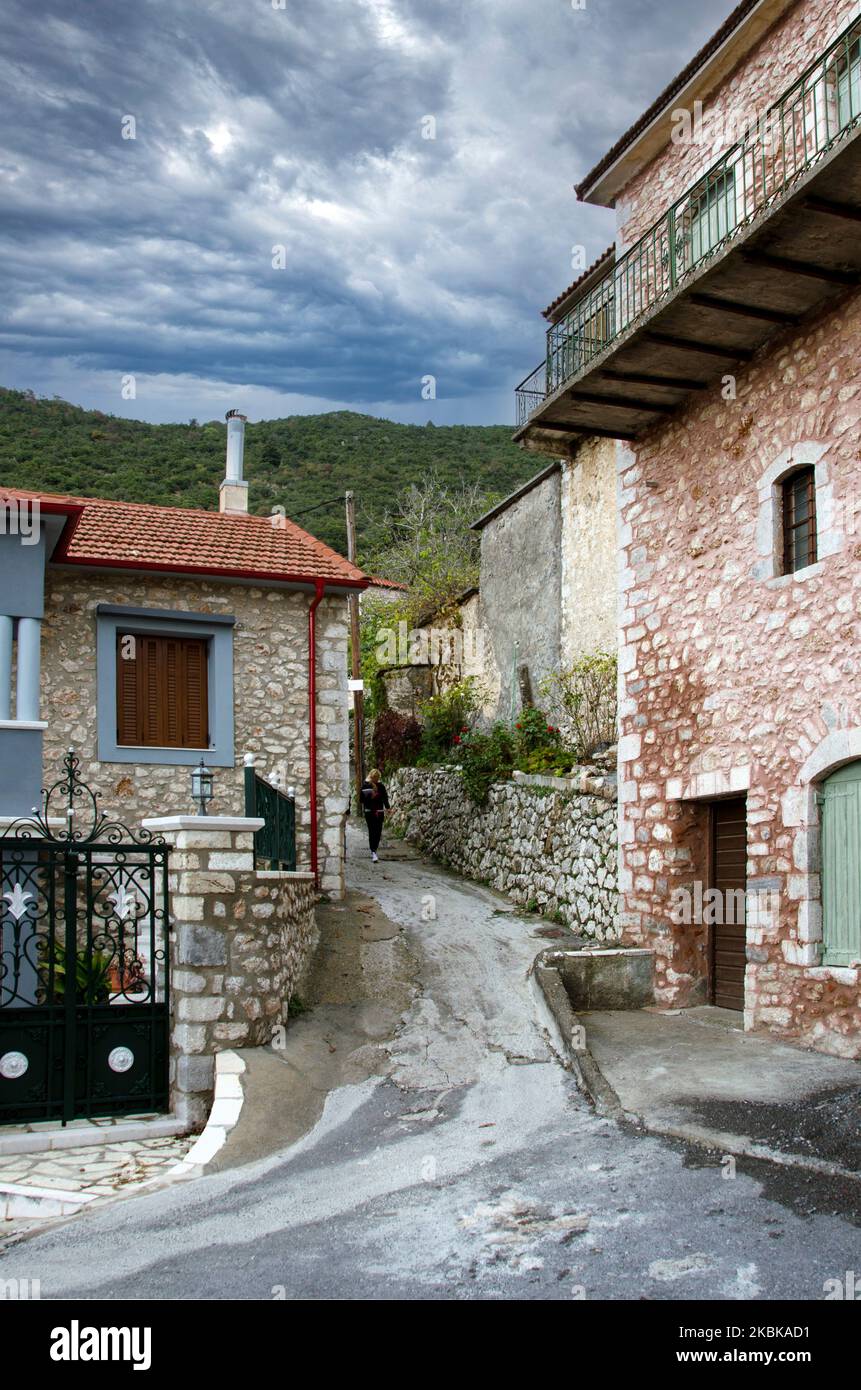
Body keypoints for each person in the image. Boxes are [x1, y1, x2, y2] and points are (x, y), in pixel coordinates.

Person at [360, 767, 389, 862]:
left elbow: (385, 798)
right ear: (371, 777)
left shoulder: (381, 786)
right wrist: (370, 797)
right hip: (369, 812)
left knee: (378, 832)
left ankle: (374, 850)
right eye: (374, 778)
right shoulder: (365, 786)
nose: (376, 779)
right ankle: (373, 851)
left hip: (379, 812)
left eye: (377, 778)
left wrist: (388, 808)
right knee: (372, 831)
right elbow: (361, 800)